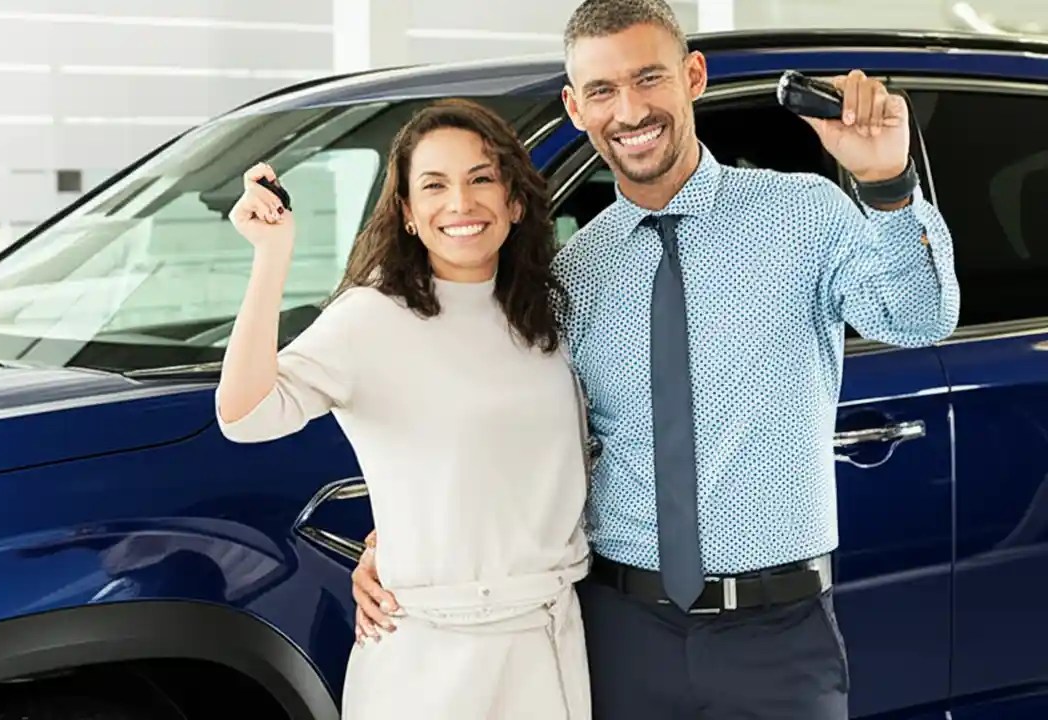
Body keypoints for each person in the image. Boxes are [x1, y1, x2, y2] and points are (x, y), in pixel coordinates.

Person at [351, 0, 961, 717]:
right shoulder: (574, 273)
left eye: (648, 78)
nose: (630, 109)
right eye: (604, 91)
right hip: (620, 632)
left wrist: (888, 186)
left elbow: (920, 318)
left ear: (692, 76)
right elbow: (524, 440)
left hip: (778, 633)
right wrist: (405, 540)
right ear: (577, 109)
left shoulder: (803, 213)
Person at [215, 98, 594, 718]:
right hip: (428, 656)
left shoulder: (550, 315)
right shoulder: (372, 318)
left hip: (546, 641)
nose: (461, 204)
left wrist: (390, 534)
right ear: (409, 214)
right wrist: (271, 256)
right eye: (435, 186)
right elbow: (246, 414)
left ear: (515, 201)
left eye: (481, 179)